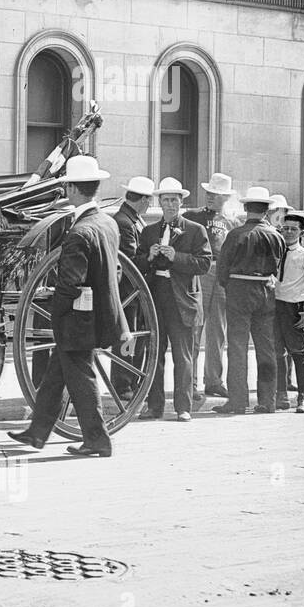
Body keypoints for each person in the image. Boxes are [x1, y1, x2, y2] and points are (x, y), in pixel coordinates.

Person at [8, 156, 132, 457]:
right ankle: (37, 433)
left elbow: (71, 283)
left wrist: (56, 308)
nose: (65, 193)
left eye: (67, 187)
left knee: (81, 377)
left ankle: (97, 439)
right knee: (56, 375)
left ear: (74, 190)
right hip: (100, 314)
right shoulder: (107, 222)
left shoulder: (79, 232)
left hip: (78, 320)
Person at [134, 178, 212, 422]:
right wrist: (149, 256)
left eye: (174, 200)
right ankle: (153, 407)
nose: (170, 205)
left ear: (181, 202)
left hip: (183, 301)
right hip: (156, 298)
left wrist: (176, 257)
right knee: (154, 355)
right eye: (165, 200)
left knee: (183, 355)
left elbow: (204, 263)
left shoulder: (195, 230)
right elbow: (134, 266)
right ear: (159, 202)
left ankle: (183, 407)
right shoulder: (148, 232)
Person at [213, 186, 285, 415]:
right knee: (266, 348)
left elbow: (222, 270)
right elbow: (280, 270)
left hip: (239, 290)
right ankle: (267, 401)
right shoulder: (277, 236)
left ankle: (238, 401)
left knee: (237, 347)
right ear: (267, 210)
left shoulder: (235, 235)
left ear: (246, 208)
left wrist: (231, 285)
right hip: (266, 290)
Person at [184, 173, 242, 400]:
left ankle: (214, 381)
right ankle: (190, 382)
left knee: (218, 330)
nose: (210, 197)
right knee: (194, 327)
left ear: (225, 197)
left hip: (222, 273)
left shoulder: (232, 222)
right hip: (199, 271)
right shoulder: (192, 216)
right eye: (209, 193)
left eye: (215, 194)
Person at [111, 175, 154, 402]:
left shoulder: (131, 218)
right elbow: (131, 262)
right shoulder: (125, 222)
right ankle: (122, 384)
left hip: (134, 293)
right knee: (127, 340)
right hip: (128, 292)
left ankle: (131, 380)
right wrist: (151, 256)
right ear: (144, 200)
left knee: (133, 338)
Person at [273, 212, 304, 414]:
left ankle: (302, 398)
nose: (289, 232)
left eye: (293, 229)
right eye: (286, 228)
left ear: (302, 232)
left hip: (296, 309)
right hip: (275, 307)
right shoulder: (276, 251)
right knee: (277, 353)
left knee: (298, 354)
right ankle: (281, 396)